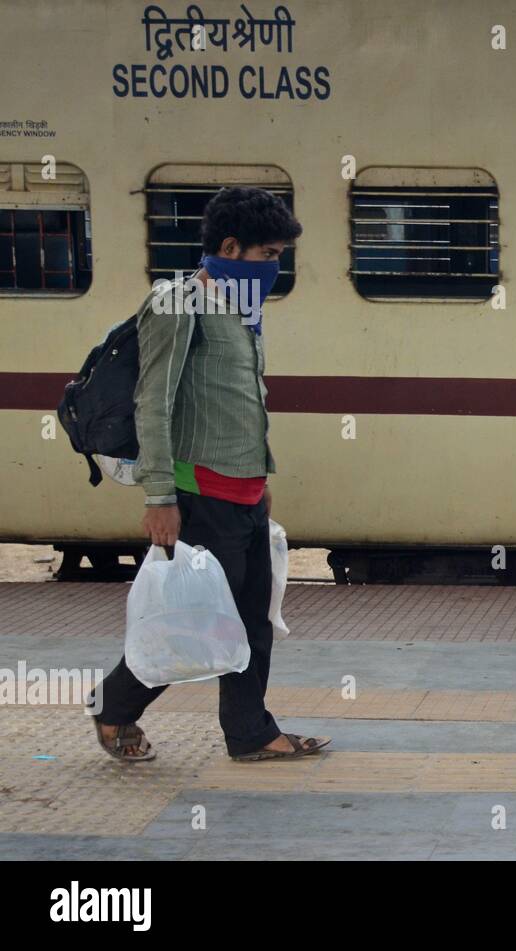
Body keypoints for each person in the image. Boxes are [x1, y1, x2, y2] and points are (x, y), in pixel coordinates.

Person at [90, 186, 329, 763]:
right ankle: (113, 706)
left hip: (244, 493)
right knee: (196, 623)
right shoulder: (177, 304)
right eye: (267, 253)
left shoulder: (241, 311)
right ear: (229, 246)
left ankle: (250, 733)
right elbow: (154, 404)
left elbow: (237, 401)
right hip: (198, 494)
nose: (275, 266)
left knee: (252, 626)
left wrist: (259, 480)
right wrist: (159, 497)